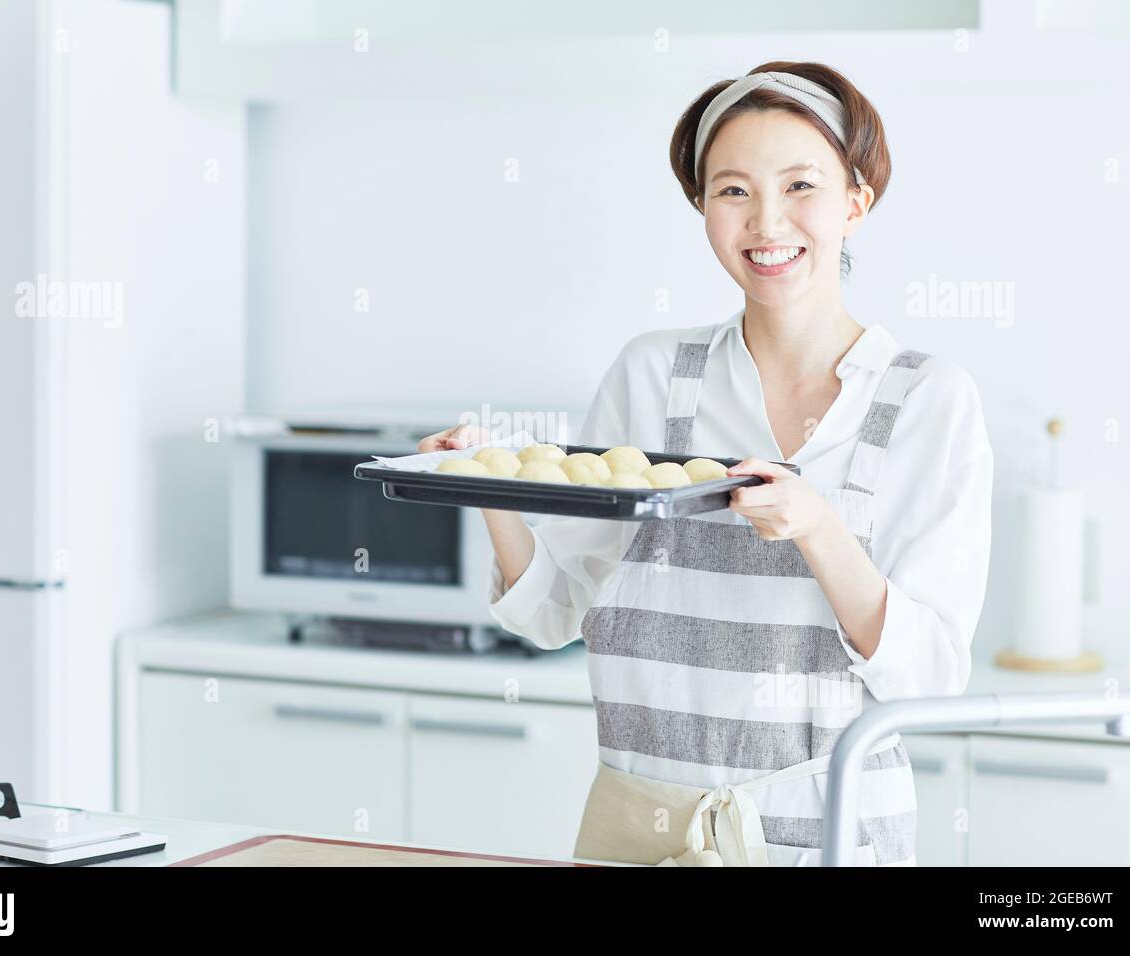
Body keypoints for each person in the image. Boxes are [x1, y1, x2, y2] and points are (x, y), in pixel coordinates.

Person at [417, 62, 993, 866]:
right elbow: (551, 614)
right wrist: (489, 487)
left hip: (829, 835)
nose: (766, 220)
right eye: (732, 191)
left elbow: (929, 680)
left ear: (855, 202)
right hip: (638, 826)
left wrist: (819, 527)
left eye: (800, 186)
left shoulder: (930, 400)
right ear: (702, 208)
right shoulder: (653, 375)